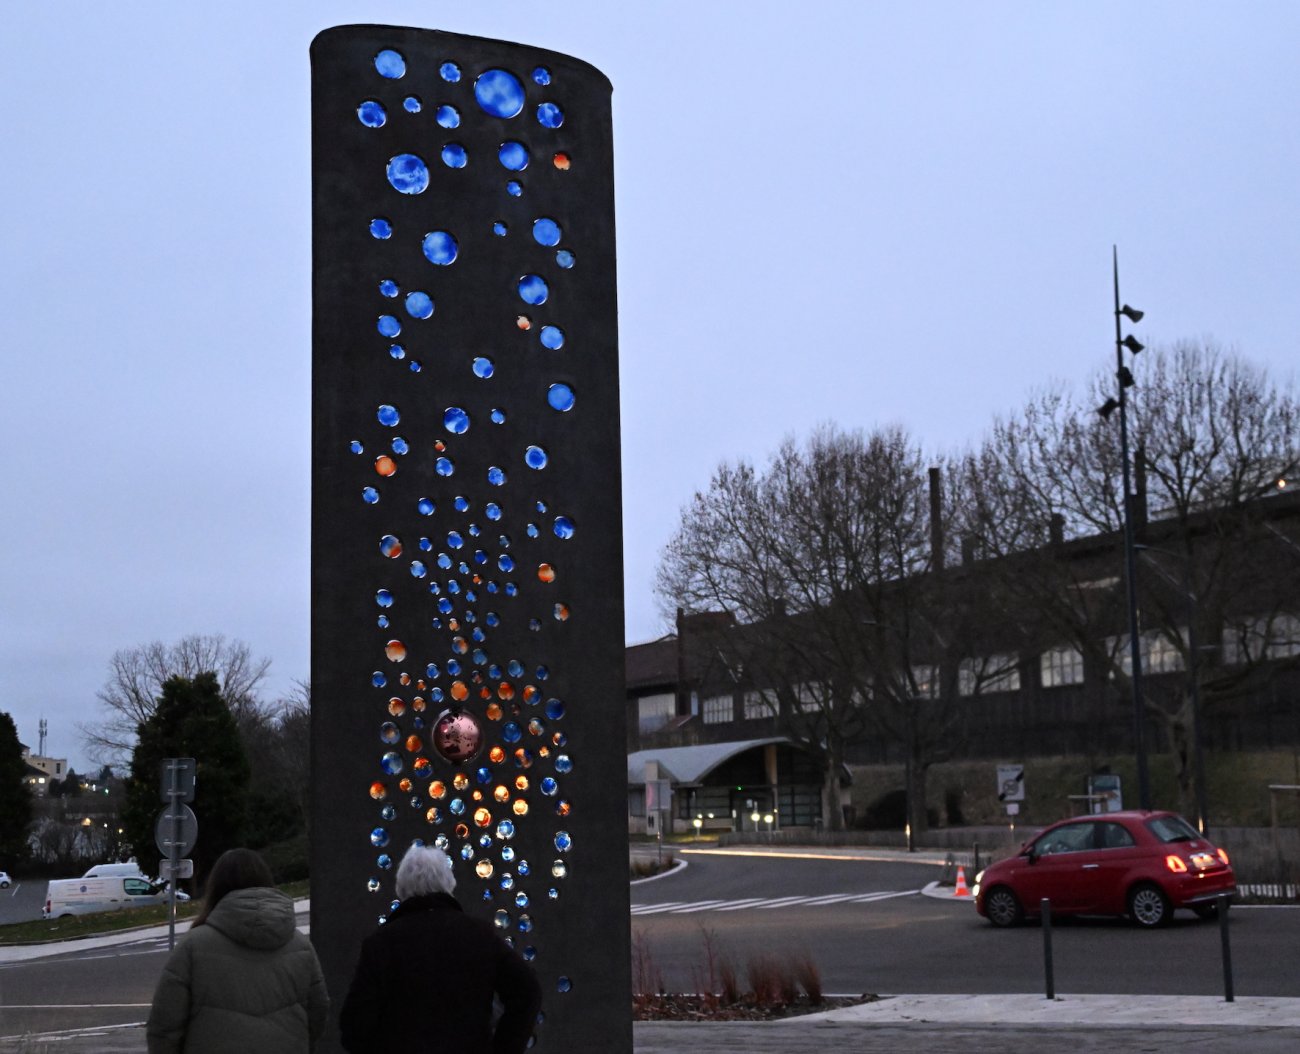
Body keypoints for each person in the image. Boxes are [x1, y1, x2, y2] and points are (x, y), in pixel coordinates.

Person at [340, 844, 542, 1053]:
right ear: (449, 884)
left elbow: (354, 1025)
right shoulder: (479, 935)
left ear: (401, 888)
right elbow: (527, 991)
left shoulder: (381, 944)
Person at [147, 848, 329, 1053]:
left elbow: (164, 1025)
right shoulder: (301, 947)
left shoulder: (194, 947)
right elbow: (318, 1012)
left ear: (215, 888)